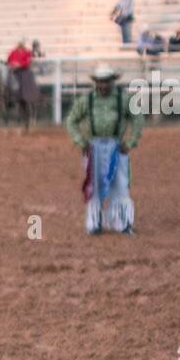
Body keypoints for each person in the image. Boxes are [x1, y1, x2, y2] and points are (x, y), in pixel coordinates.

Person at [63, 65, 143, 236]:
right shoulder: (87, 100)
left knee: (120, 185)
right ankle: (94, 224)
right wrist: (80, 141)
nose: (104, 85)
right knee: (94, 186)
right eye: (101, 81)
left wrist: (130, 142)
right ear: (96, 82)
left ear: (112, 81)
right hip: (93, 147)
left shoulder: (124, 99)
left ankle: (123, 223)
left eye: (107, 81)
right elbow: (71, 120)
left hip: (116, 146)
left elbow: (138, 119)